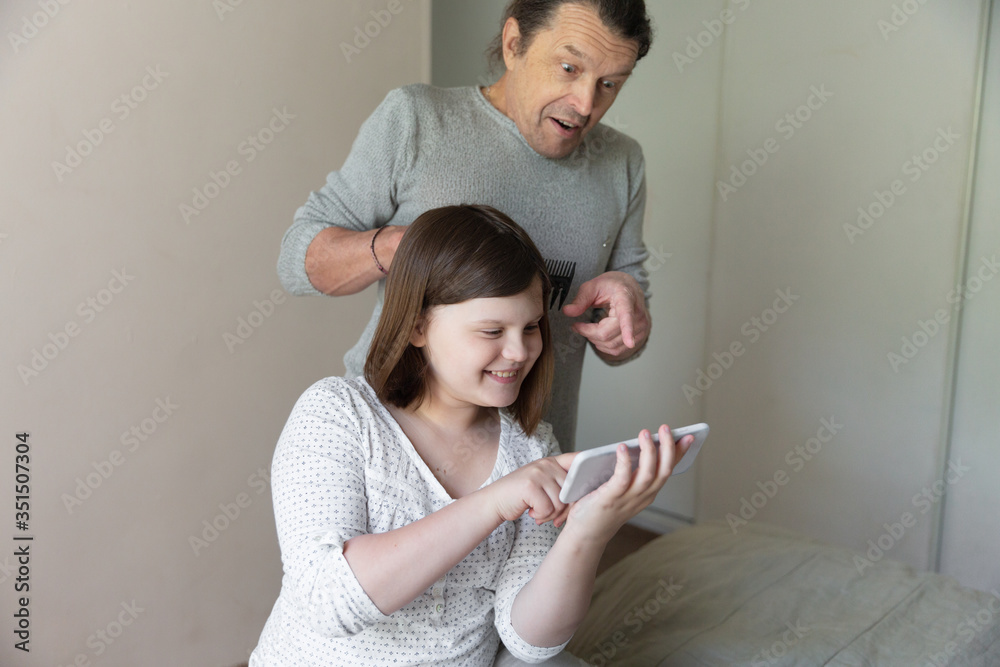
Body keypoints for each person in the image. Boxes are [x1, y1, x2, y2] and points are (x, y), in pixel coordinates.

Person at [251, 205, 693, 666]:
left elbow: (530, 641)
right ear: (418, 325)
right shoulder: (338, 413)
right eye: (492, 330)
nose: (520, 351)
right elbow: (329, 601)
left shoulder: (530, 447)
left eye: (531, 327)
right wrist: (492, 502)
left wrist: (588, 533)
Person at [277, 0, 656, 451]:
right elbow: (297, 263)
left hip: (528, 453)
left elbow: (628, 329)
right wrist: (399, 248)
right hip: (392, 446)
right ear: (514, 44)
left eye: (610, 83)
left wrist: (627, 315)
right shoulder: (416, 119)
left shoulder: (621, 162)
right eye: (569, 67)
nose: (586, 103)